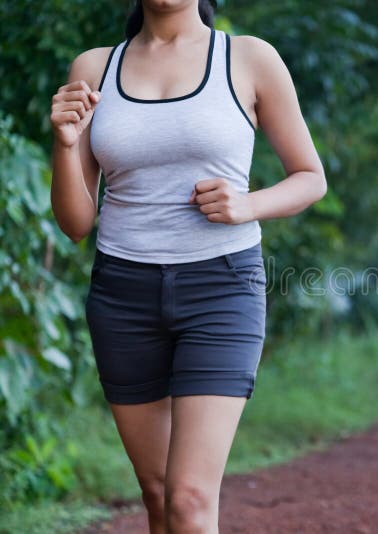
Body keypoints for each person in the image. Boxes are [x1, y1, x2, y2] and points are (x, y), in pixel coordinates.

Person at [49, 0, 327, 531]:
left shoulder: (248, 58)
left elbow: (310, 176)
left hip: (221, 286)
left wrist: (248, 203)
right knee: (157, 497)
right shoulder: (94, 68)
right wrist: (65, 146)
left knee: (189, 501)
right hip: (123, 294)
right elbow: (76, 222)